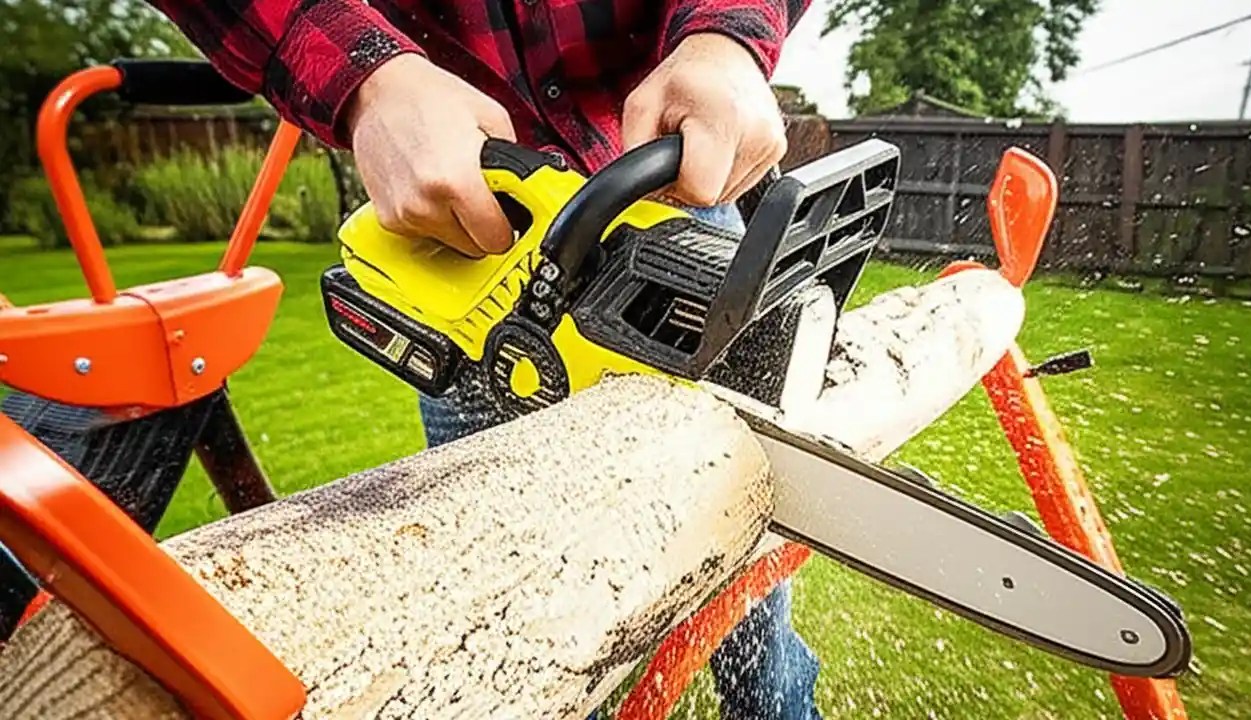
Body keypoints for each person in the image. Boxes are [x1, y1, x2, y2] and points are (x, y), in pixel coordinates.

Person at [146, 2, 822, 717]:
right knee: (522, 598)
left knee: (746, 567)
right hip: (464, 216)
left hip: (677, 200)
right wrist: (368, 74)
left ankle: (773, 702)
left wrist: (725, 42)